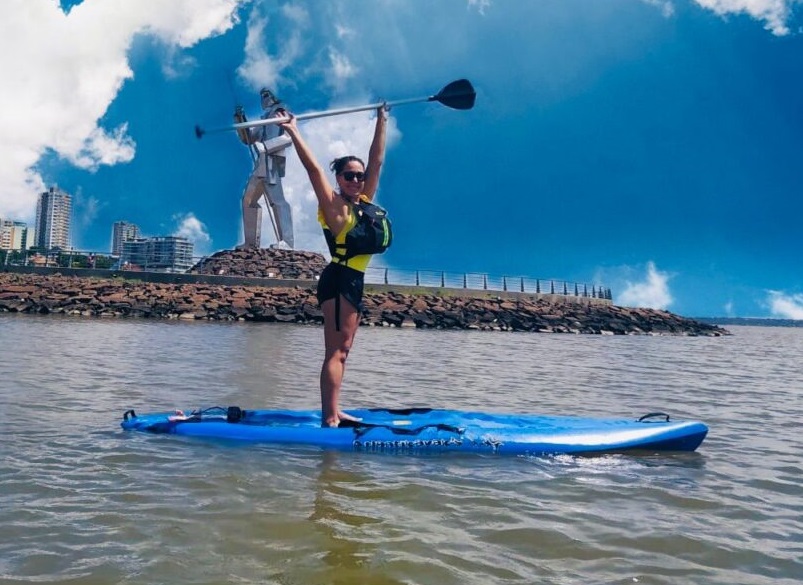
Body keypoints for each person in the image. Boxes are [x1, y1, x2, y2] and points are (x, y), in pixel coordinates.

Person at [278, 105, 388, 427]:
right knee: (336, 352)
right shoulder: (334, 205)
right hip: (339, 279)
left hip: (352, 280)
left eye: (359, 175)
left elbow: (377, 161)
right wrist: (293, 130)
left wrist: (382, 118)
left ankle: (334, 409)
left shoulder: (362, 204)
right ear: (339, 179)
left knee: (344, 350)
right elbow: (313, 171)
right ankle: (329, 418)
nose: (356, 180)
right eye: (349, 176)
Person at [234, 88, 294, 249]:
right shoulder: (264, 119)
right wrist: (241, 119)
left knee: (277, 200)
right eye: (262, 96)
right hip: (261, 163)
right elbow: (248, 139)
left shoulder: (281, 113)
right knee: (248, 200)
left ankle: (287, 242)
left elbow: (288, 138)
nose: (264, 99)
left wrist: (267, 146)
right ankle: (251, 243)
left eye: (266, 95)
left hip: (272, 163)